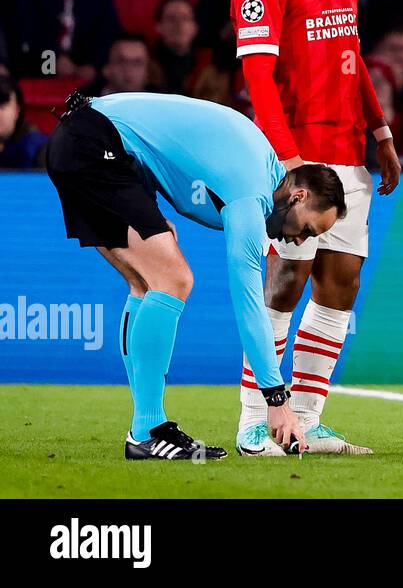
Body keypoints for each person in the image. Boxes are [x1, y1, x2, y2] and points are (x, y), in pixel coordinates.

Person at [45, 90, 348, 459]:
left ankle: (145, 430)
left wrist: (149, 210)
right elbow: (249, 303)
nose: (300, 239)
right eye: (308, 229)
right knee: (174, 279)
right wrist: (276, 399)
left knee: (144, 284)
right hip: (93, 145)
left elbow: (162, 145)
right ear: (298, 196)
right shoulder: (250, 196)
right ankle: (146, 431)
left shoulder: (261, 171)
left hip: (90, 142)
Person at [229, 0, 401, 456]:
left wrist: (379, 131)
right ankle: (256, 422)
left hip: (348, 159)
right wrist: (288, 166)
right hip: (296, 164)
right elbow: (260, 83)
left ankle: (306, 417)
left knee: (341, 282)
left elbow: (353, 62)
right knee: (284, 280)